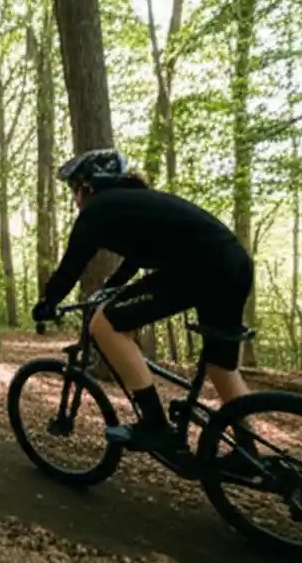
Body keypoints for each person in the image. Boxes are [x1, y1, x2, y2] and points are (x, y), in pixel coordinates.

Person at [31, 147, 254, 455]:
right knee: (221, 366)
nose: (74, 198)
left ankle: (154, 424)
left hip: (199, 270)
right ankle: (249, 452)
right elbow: (136, 257)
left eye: (74, 189)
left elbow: (72, 266)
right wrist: (113, 286)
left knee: (103, 325)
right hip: (234, 265)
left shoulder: (99, 209)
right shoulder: (137, 204)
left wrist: (47, 303)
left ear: (88, 186)